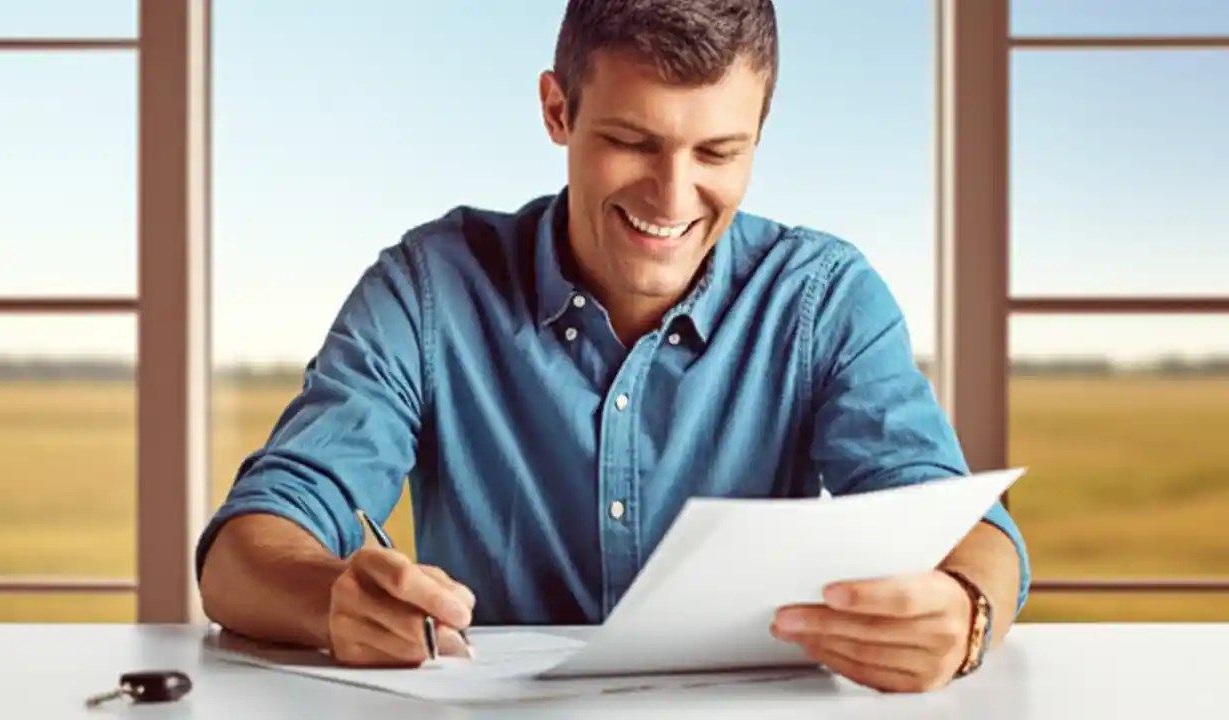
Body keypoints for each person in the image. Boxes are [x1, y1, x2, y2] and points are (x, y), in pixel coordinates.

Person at [197, 0, 1030, 693]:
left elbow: (965, 528)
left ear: (760, 134)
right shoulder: (430, 289)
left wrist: (964, 613)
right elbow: (245, 551)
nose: (673, 196)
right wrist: (330, 598)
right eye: (634, 142)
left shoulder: (825, 298)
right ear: (558, 111)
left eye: (718, 152)